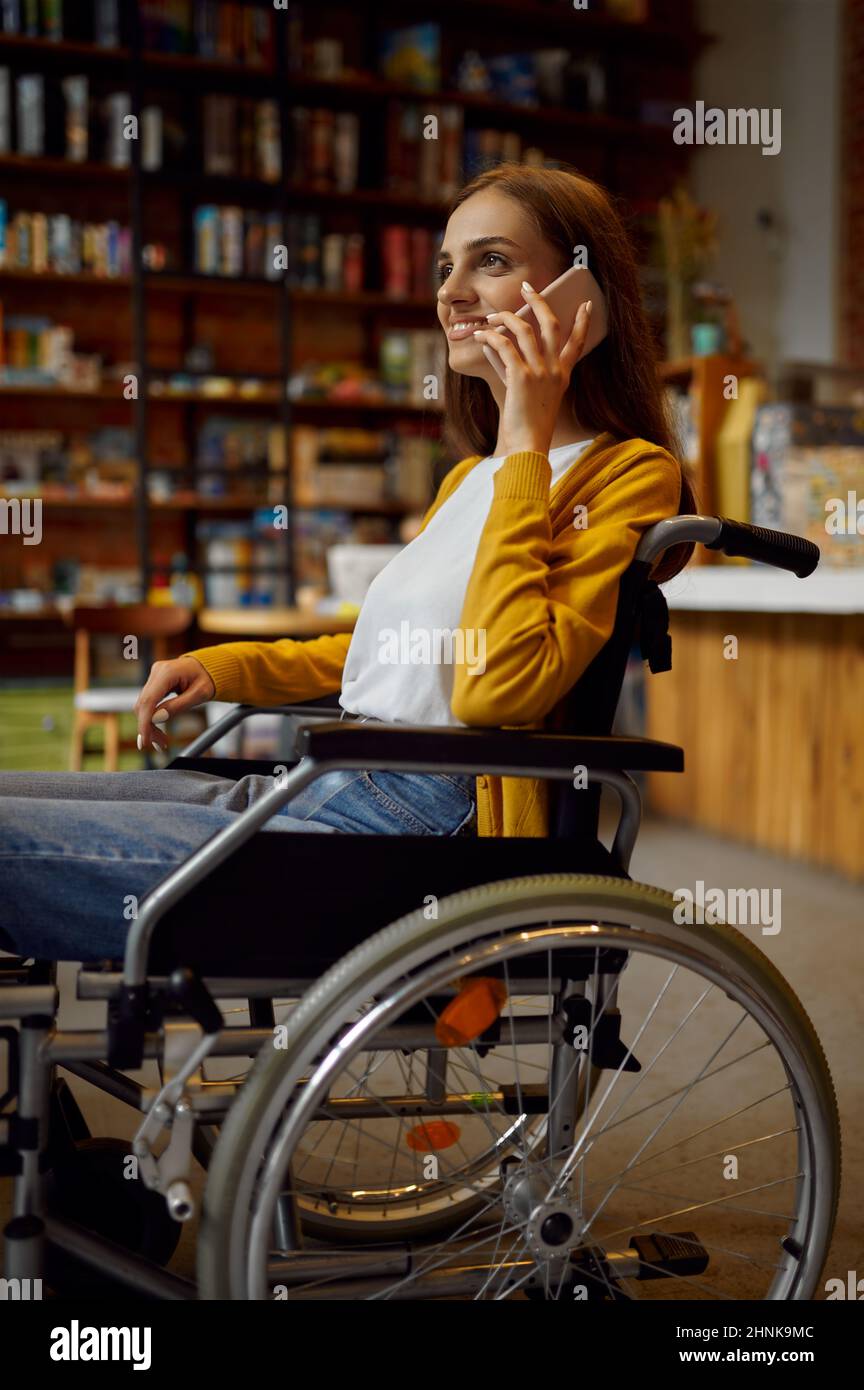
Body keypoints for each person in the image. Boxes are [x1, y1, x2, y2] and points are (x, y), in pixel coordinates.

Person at [0, 162, 694, 960]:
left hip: (417, 824)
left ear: (583, 295)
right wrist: (227, 668)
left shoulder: (627, 473)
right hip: (330, 780)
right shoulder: (474, 477)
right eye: (446, 267)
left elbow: (498, 684)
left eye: (491, 261)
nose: (451, 292)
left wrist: (525, 442)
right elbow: (398, 653)